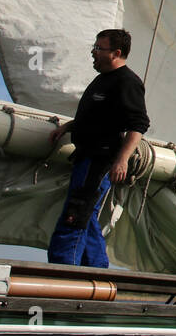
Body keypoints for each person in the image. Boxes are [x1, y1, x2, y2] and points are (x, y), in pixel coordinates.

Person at [48, 28, 149, 268]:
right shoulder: (103, 79)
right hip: (86, 157)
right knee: (87, 216)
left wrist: (122, 160)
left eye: (98, 48)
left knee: (76, 214)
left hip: (99, 159)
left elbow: (138, 125)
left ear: (116, 53)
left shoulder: (127, 82)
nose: (93, 53)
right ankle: (97, 273)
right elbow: (101, 116)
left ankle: (64, 273)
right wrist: (70, 126)